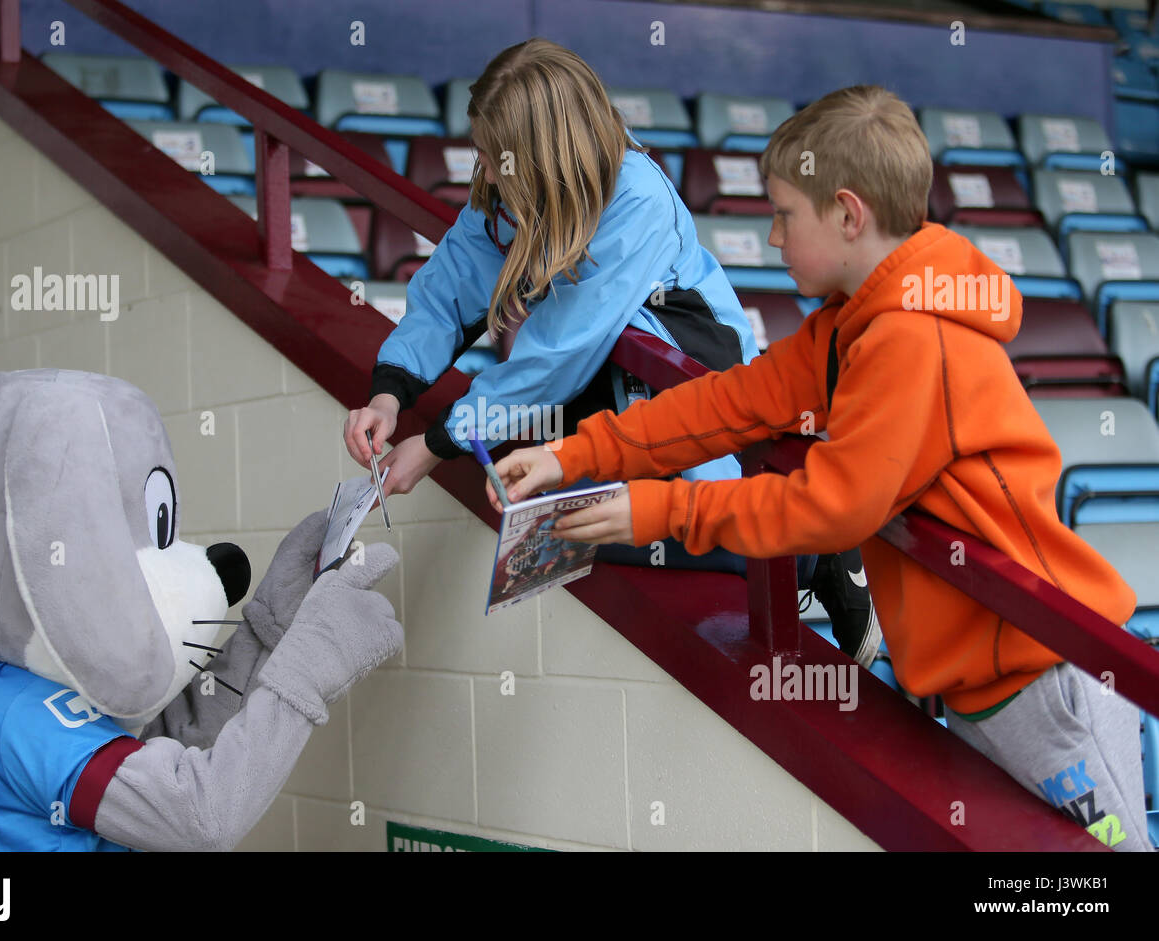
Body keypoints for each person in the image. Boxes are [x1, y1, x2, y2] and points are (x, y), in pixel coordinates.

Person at [486, 85, 1151, 851]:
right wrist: (573, 452)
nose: (770, 237)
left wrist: (657, 511)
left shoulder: (910, 339)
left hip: (1049, 678)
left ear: (846, 215)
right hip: (981, 685)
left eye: (783, 215)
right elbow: (724, 405)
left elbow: (832, 508)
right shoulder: (849, 326)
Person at [342, 38, 880, 666]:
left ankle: (821, 550)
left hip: (687, 373)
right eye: (482, 155)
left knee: (683, 521)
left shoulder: (637, 198)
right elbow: (448, 291)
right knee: (540, 533)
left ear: (540, 157)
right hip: (598, 391)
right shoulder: (508, 193)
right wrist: (390, 392)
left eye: (493, 158)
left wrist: (435, 446)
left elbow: (555, 355)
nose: (482, 172)